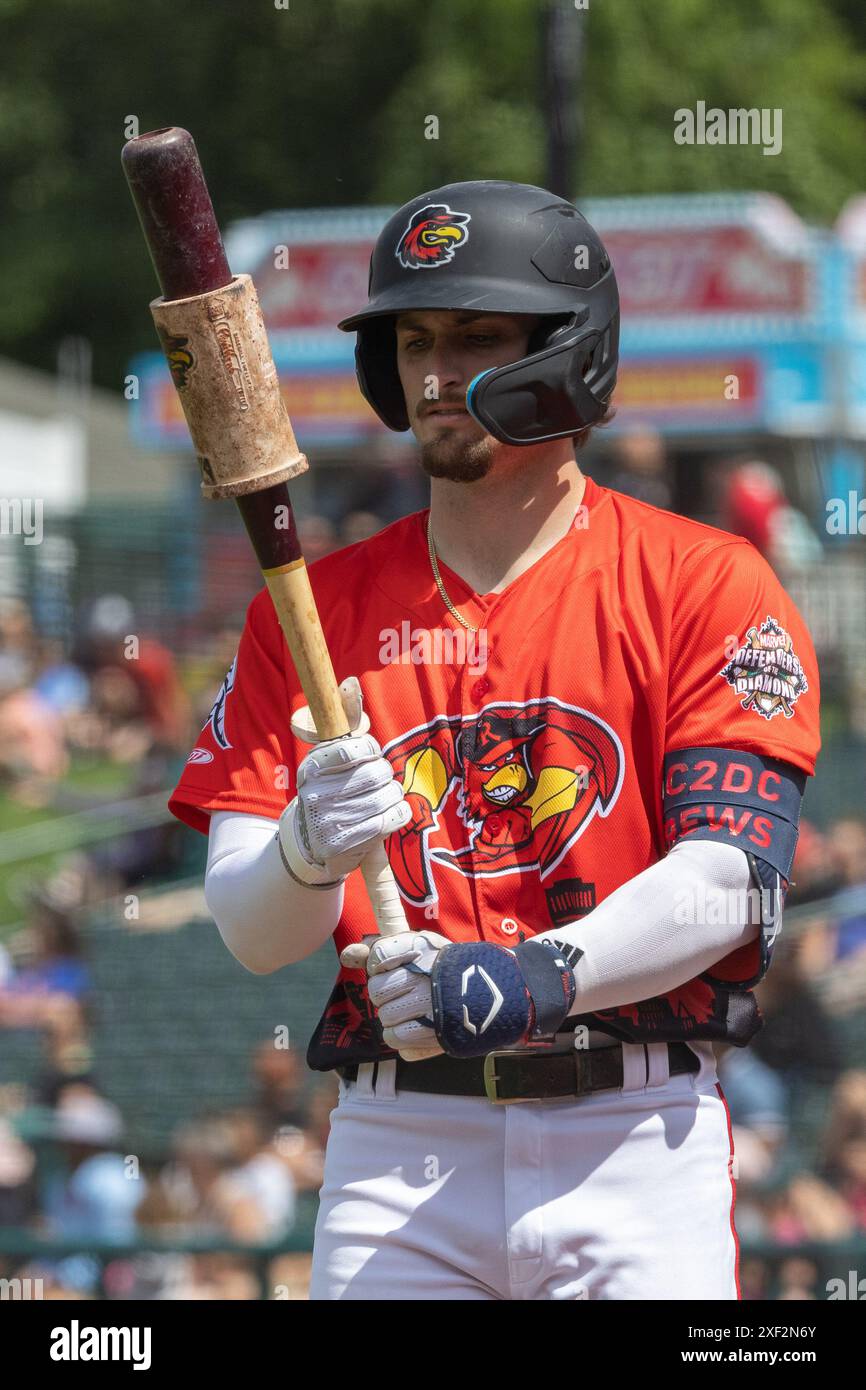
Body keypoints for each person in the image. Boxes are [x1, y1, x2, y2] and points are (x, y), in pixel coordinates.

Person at [168, 181, 821, 1301]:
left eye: (474, 335)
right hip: (397, 1147)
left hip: (633, 1130)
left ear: (570, 354)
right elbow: (252, 933)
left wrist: (529, 978)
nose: (432, 372)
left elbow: (730, 882)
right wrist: (302, 854)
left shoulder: (701, 580)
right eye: (413, 340)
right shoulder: (308, 612)